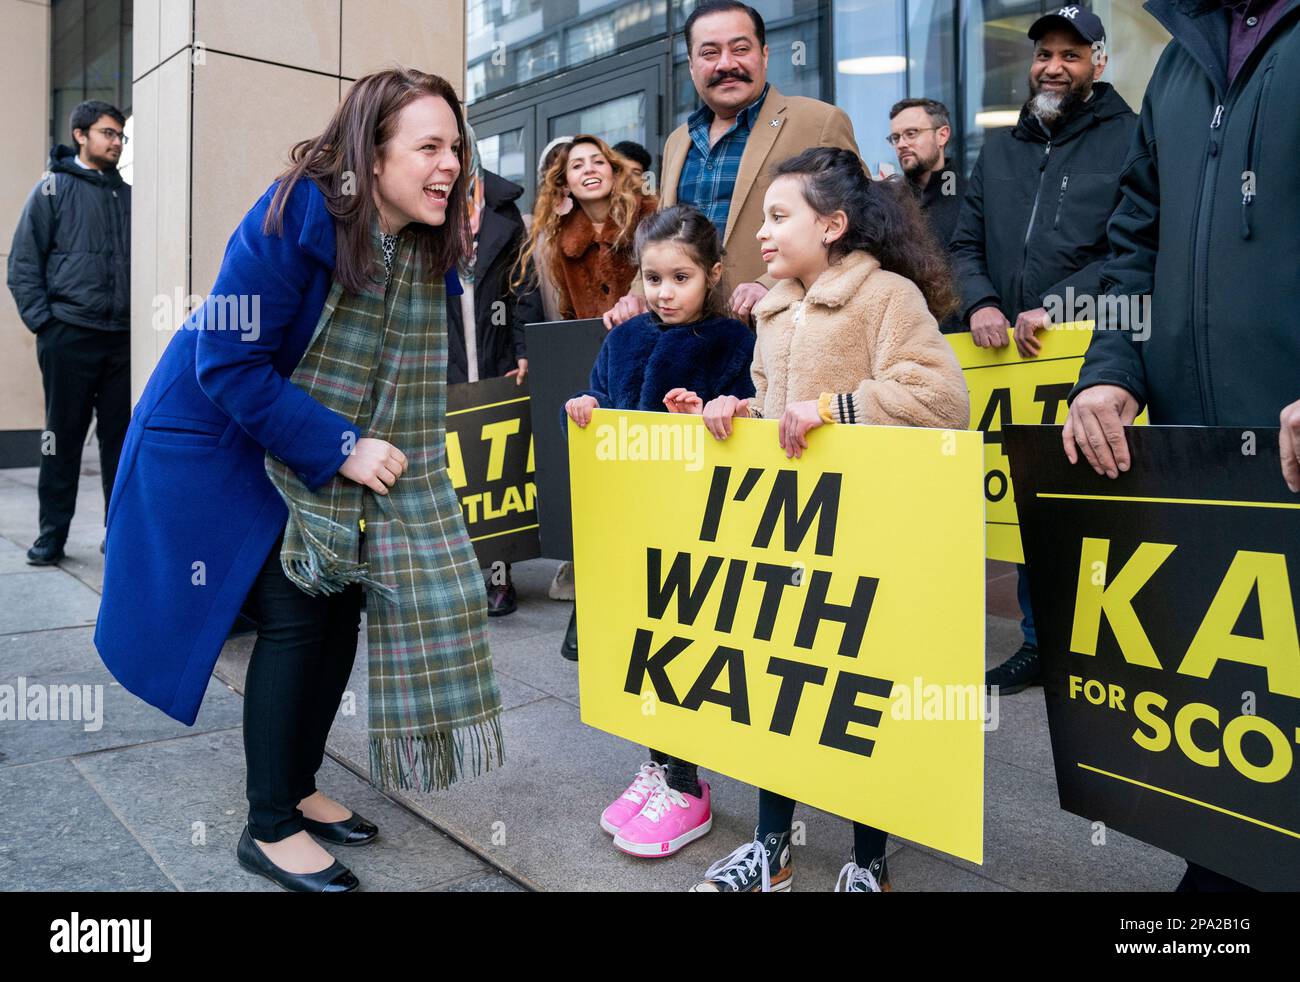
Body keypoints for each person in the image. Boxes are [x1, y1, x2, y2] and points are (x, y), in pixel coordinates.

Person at [93, 68, 504, 893]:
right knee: (298, 606)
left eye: (454, 146)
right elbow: (228, 364)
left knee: (342, 599)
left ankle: (301, 786)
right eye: (428, 145)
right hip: (218, 439)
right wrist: (344, 445)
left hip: (301, 436)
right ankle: (269, 826)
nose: (449, 163)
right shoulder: (293, 215)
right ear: (373, 153)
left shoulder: (416, 239)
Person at [1064, 0, 1298, 893]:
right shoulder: (1176, 63)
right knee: (1236, 707)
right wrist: (1110, 367)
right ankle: (1227, 876)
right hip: (1206, 467)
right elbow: (1133, 242)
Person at [693, 148, 969, 892]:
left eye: (780, 217)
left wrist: (837, 411)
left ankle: (867, 861)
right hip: (787, 537)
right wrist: (734, 410)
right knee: (783, 689)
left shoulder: (886, 298)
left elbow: (943, 400)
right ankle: (771, 849)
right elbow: (768, 408)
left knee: (855, 696)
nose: (763, 234)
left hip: (867, 537)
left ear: (835, 224)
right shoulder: (774, 311)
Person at [948, 6, 1137, 694]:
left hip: (1093, 352)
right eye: (1044, 54)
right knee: (1026, 494)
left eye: (1072, 54)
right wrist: (983, 303)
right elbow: (963, 243)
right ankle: (1036, 641)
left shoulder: (1132, 137)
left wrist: (1057, 307)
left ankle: (1104, 645)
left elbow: (1134, 246)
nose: (1054, 66)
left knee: (1094, 496)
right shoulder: (999, 147)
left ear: (1099, 63)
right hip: (1009, 361)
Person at [564, 205, 754, 859]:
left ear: (715, 273)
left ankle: (686, 784)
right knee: (644, 654)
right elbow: (605, 400)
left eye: (681, 277)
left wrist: (707, 414)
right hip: (632, 526)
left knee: (687, 657)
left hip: (699, 533)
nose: (665, 292)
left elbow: (748, 428)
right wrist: (591, 408)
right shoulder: (621, 340)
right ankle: (656, 764)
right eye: (652, 278)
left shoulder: (734, 341)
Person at [603, 0, 859, 329]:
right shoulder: (678, 141)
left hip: (782, 331)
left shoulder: (818, 122)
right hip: (691, 339)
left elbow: (857, 229)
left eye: (740, 49)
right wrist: (639, 292)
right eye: (709, 53)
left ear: (764, 55)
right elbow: (666, 237)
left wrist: (771, 285)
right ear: (692, 66)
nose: (727, 64)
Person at [7, 100, 131, 566]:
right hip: (69, 335)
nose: (116, 141)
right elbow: (23, 265)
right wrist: (47, 324)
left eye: (120, 135)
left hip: (121, 341)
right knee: (61, 439)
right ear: (80, 135)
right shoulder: (51, 190)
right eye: (107, 133)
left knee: (121, 445)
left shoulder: (130, 196)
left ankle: (116, 535)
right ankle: (51, 536)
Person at [448, 127, 544, 617]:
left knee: (495, 463)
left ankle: (498, 577)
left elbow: (523, 287)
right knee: (455, 462)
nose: (451, 157)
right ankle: (457, 572)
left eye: (458, 147)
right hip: (445, 347)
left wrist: (524, 347)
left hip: (496, 344)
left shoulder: (502, 207)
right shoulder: (431, 200)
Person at [514, 134, 657, 322]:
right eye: (577, 165)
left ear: (614, 173)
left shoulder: (649, 217)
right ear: (566, 183)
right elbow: (570, 315)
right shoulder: (564, 242)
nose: (589, 170)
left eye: (598, 162)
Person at [888, 97, 965, 332]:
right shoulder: (889, 204)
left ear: (942, 135)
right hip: (903, 335)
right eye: (896, 137)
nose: (901, 144)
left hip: (965, 337)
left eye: (911, 133)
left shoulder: (971, 197)